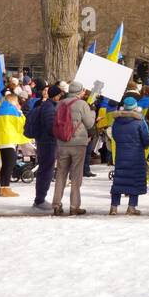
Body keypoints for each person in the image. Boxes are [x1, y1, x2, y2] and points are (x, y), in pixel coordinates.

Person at [51, 81, 96, 216]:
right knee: (76, 176)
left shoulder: (60, 104)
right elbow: (89, 124)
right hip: (78, 144)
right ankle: (74, 205)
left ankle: (56, 204)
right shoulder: (82, 104)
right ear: (79, 91)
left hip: (62, 143)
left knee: (61, 174)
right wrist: (92, 112)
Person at [108, 96, 149, 214]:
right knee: (134, 179)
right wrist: (144, 145)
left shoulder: (116, 121)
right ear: (135, 108)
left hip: (121, 153)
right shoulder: (139, 122)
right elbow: (146, 138)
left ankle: (114, 206)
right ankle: (131, 207)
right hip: (136, 154)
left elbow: (114, 136)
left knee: (119, 179)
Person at [25, 84, 62, 211]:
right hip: (47, 143)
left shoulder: (47, 106)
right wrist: (59, 134)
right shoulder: (49, 108)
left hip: (45, 141)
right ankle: (40, 199)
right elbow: (51, 126)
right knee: (46, 170)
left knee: (45, 169)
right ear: (56, 96)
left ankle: (40, 198)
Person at [0, 91, 31, 198]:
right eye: (17, 101)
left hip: (2, 140)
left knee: (5, 166)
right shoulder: (12, 110)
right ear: (13, 100)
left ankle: (3, 188)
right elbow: (21, 124)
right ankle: (6, 188)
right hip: (9, 140)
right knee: (9, 165)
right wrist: (20, 111)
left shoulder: (0, 110)